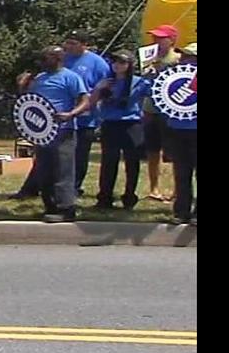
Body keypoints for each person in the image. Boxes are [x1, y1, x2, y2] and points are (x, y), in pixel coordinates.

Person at [18, 46, 90, 223]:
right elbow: (28, 99)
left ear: (58, 59)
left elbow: (85, 100)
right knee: (44, 169)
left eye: (46, 58)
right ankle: (49, 206)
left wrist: (71, 114)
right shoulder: (39, 78)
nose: (42, 61)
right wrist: (24, 84)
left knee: (63, 169)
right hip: (43, 130)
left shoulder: (70, 77)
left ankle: (66, 208)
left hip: (63, 130)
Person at [91, 50, 149, 211]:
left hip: (132, 125)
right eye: (115, 61)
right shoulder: (107, 82)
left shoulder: (139, 82)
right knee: (109, 162)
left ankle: (129, 196)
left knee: (132, 163)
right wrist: (98, 88)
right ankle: (105, 197)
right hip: (110, 124)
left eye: (122, 62)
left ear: (130, 65)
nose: (117, 65)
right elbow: (92, 101)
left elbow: (154, 94)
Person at [62, 31, 112, 195]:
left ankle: (76, 186)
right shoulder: (63, 59)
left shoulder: (98, 63)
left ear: (84, 45)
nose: (68, 46)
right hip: (64, 113)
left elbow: (105, 87)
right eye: (67, 42)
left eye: (73, 43)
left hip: (87, 116)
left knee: (81, 153)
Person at [143, 24, 182, 203]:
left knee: (174, 153)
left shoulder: (178, 59)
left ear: (172, 40)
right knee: (152, 151)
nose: (156, 41)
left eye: (161, 38)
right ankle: (154, 188)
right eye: (155, 38)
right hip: (151, 108)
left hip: (170, 110)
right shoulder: (149, 58)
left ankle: (176, 190)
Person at [165, 43, 196, 226]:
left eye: (188, 56)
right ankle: (181, 211)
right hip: (177, 129)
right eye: (182, 56)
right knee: (181, 172)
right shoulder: (173, 76)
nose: (183, 59)